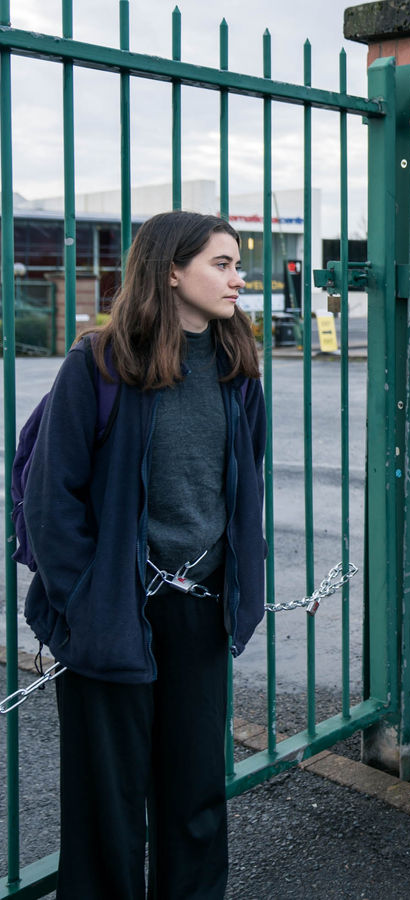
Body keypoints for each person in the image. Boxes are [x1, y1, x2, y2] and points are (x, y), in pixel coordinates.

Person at [22, 211, 267, 897]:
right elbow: (51, 498)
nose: (237, 279)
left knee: (195, 794)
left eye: (237, 264)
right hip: (111, 610)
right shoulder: (99, 364)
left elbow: (244, 477)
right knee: (108, 805)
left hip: (201, 607)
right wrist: (84, 600)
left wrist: (238, 578)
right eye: (221, 263)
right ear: (172, 271)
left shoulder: (236, 368)